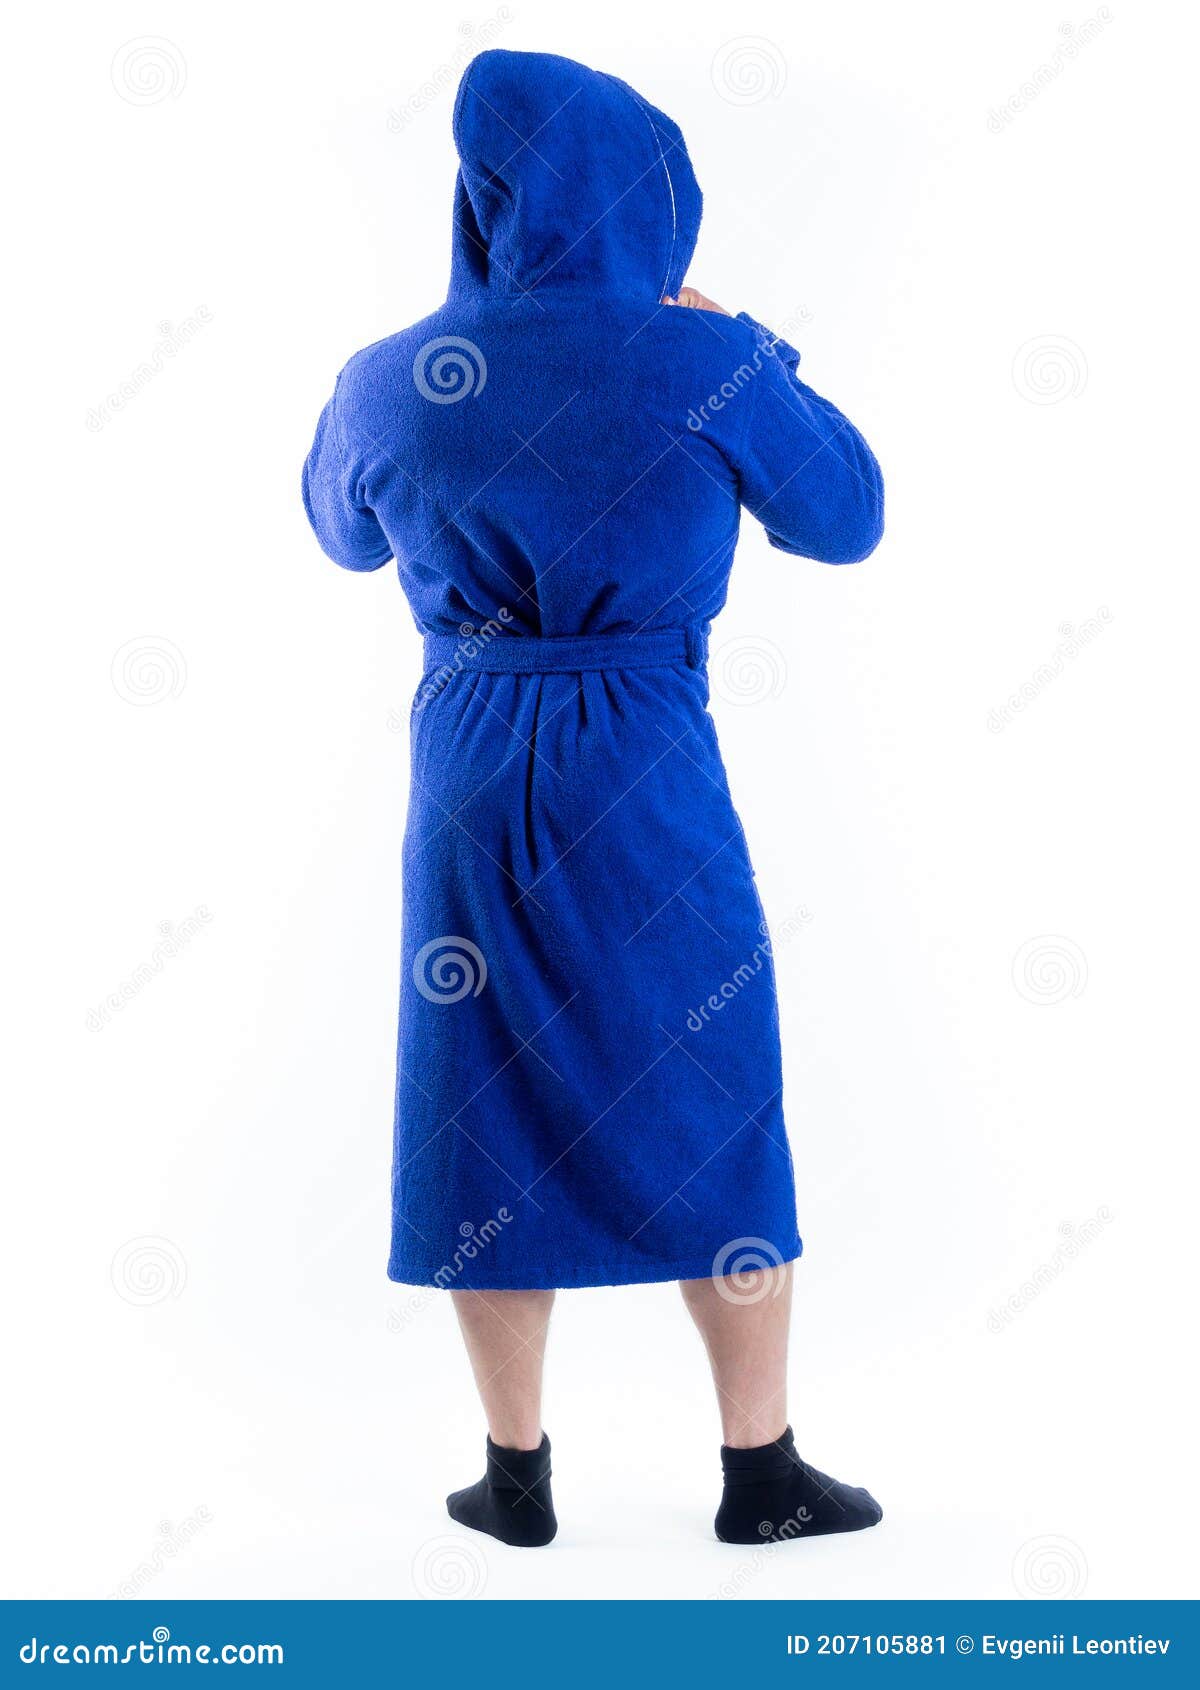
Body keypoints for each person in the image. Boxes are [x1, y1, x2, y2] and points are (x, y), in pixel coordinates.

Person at [303, 49, 884, 1548]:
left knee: (482, 1100)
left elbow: (337, 533)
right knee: (714, 1089)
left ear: (482, 196)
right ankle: (760, 1476)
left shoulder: (391, 377)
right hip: (647, 762)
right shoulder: (705, 365)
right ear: (648, 195)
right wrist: (750, 345)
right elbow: (850, 515)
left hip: (472, 769)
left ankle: (515, 1479)